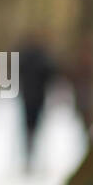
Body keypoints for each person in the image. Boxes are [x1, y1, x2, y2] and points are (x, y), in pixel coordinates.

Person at [17, 37, 56, 171]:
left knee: (28, 128)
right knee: (34, 128)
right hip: (37, 98)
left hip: (28, 98)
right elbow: (51, 73)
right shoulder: (42, 58)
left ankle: (29, 156)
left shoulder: (25, 57)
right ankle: (31, 156)